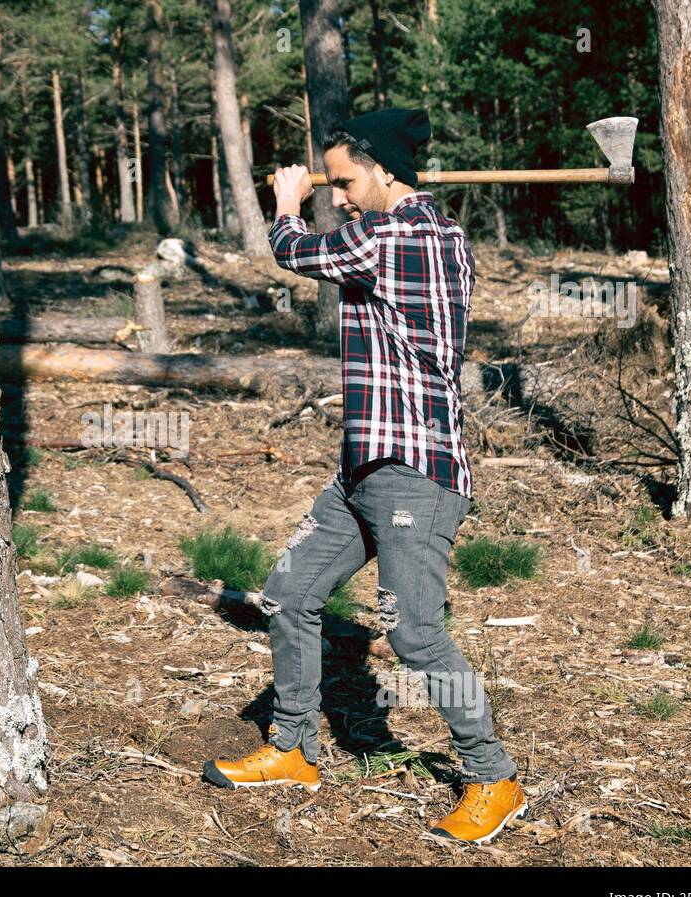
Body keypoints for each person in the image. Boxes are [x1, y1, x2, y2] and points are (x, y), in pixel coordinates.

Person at [201, 107, 526, 845]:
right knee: (288, 596)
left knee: (413, 633)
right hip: (366, 467)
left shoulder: (391, 234)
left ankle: (493, 775)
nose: (339, 196)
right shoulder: (436, 231)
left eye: (345, 181)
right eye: (331, 185)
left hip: (415, 470)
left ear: (384, 170)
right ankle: (292, 749)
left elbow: (295, 251)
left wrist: (285, 203)